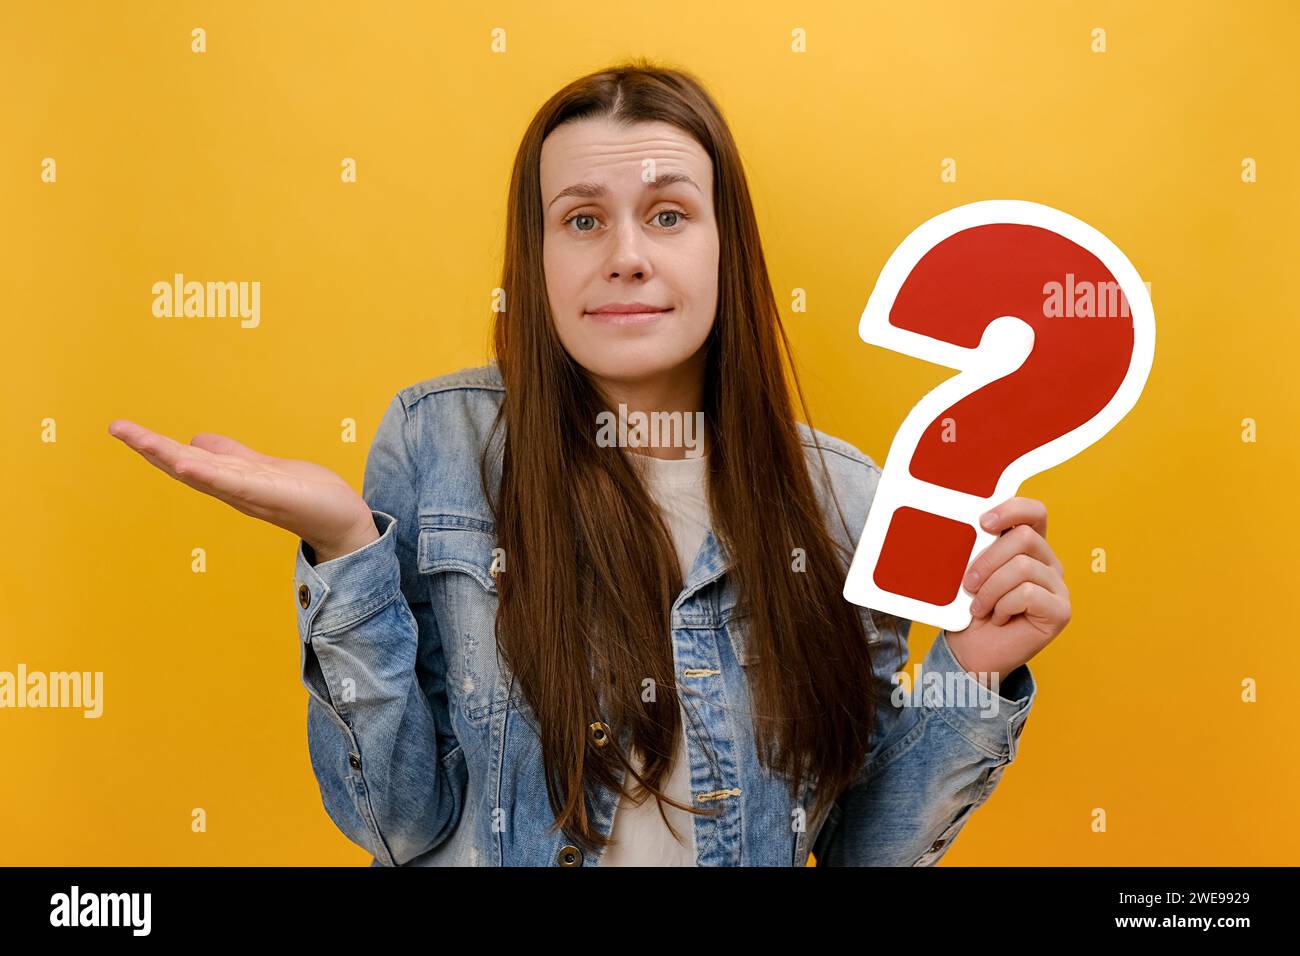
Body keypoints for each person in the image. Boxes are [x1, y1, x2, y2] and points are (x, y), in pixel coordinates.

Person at [109, 60, 1070, 866]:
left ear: (726, 247)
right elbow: (393, 825)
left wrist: (972, 673)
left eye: (668, 216)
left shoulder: (845, 502)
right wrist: (344, 549)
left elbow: (860, 848)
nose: (625, 256)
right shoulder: (438, 444)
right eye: (581, 220)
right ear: (537, 257)